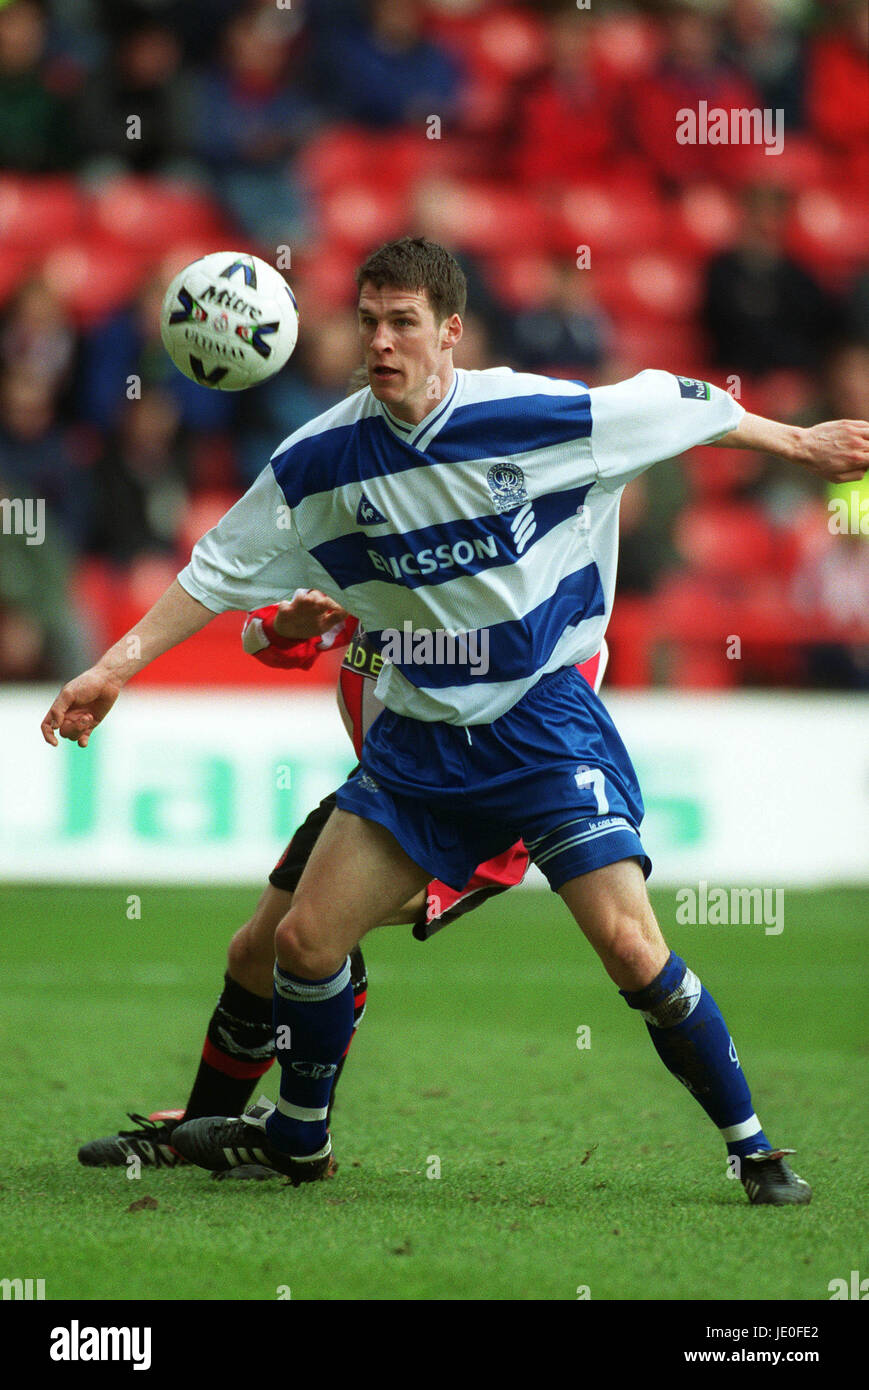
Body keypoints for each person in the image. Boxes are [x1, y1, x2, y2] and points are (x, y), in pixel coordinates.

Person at [44, 237, 869, 1204]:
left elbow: (678, 400)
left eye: (403, 323)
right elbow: (214, 577)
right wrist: (112, 667)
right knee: (297, 944)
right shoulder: (318, 463)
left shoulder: (531, 415)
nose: (382, 343)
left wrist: (796, 442)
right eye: (367, 323)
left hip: (541, 726)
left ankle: (755, 1150)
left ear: (449, 332)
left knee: (631, 948)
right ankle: (296, 1137)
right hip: (416, 750)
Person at [78, 583, 606, 1172]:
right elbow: (268, 641)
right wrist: (292, 621)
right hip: (383, 787)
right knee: (255, 951)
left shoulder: (512, 592)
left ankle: (299, 1135)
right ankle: (198, 1137)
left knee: (319, 930)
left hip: (472, 812)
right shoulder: (386, 562)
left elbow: (561, 693)